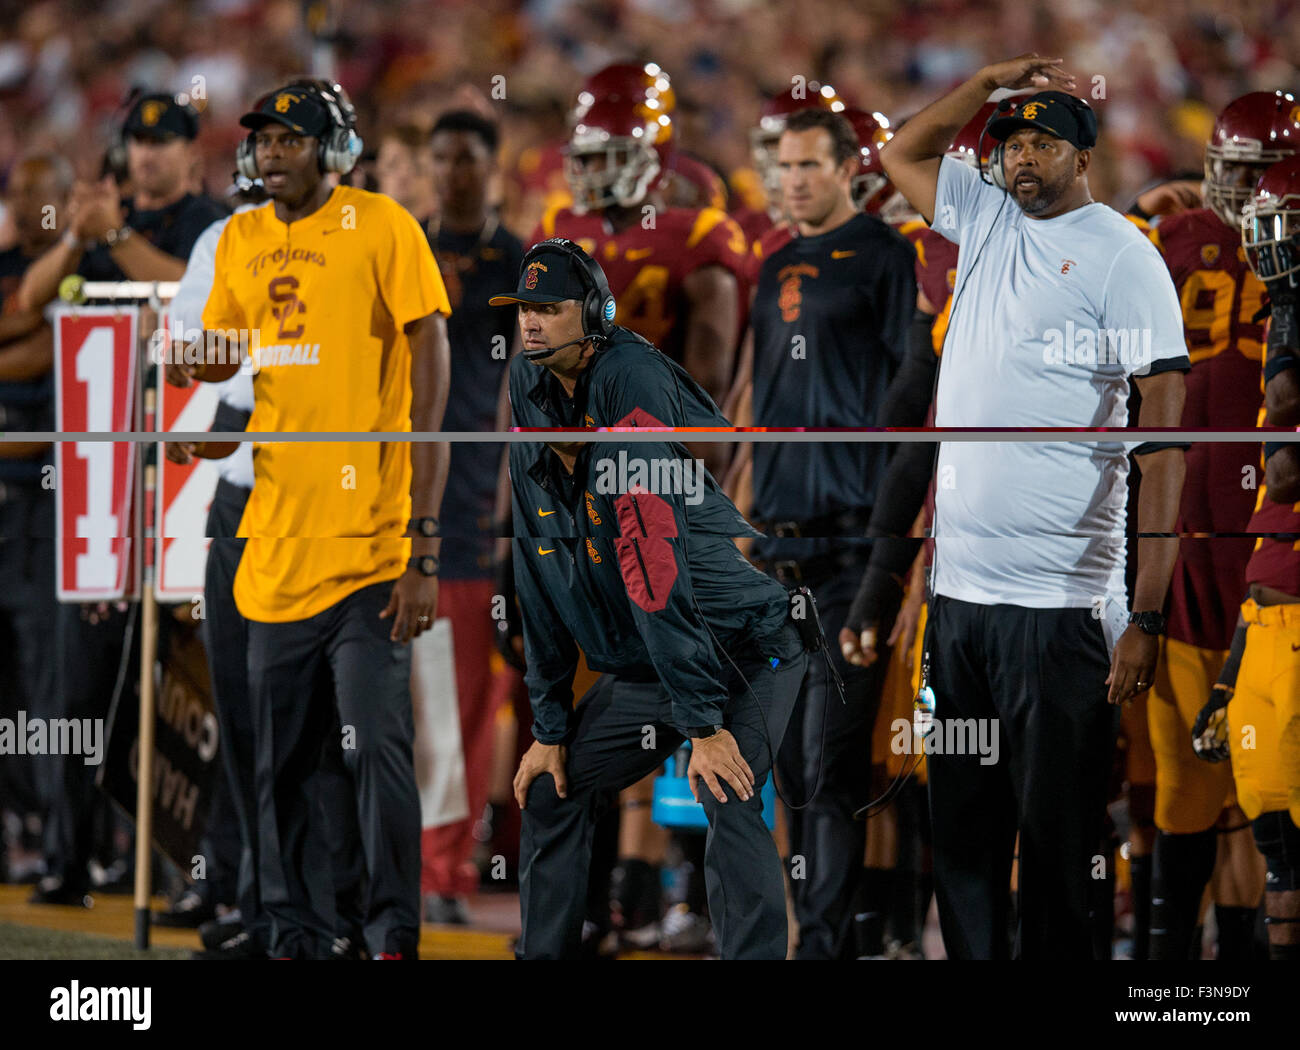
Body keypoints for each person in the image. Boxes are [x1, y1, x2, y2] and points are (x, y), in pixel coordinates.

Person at [881, 54, 1190, 958]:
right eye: (1010, 142)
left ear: (1082, 156)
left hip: (1059, 610)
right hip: (963, 606)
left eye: (1042, 141)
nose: (1021, 158)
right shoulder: (980, 218)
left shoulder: (1124, 254)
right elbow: (902, 151)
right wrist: (984, 84)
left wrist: (1147, 610)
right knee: (965, 839)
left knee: (1060, 848)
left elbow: (1167, 446)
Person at [168, 81, 452, 960]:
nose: (273, 151)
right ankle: (295, 933)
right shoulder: (242, 241)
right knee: (277, 764)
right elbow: (232, 376)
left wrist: (423, 548)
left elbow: (431, 357)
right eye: (264, 140)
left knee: (377, 753)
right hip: (274, 550)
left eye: (294, 137)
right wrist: (188, 407)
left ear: (336, 150)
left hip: (369, 546)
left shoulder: (384, 226)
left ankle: (392, 932)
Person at [493, 237, 811, 959]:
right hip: (653, 661)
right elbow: (538, 578)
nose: (532, 323)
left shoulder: (631, 383)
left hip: (747, 648)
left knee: (727, 795)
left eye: (550, 307)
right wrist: (548, 728)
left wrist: (703, 724)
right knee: (553, 786)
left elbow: (652, 570)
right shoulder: (530, 388)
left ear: (596, 314)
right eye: (524, 309)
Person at [729, 107, 916, 959]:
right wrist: (730, 508)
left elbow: (916, 404)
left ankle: (829, 943)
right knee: (793, 771)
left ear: (848, 167)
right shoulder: (773, 265)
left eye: (810, 165)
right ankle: (819, 930)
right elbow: (752, 395)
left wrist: (903, 541)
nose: (794, 180)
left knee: (831, 761)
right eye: (785, 166)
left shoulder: (888, 258)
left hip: (852, 542)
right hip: (777, 547)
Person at [1133, 91, 1299, 960]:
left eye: (1254, 174)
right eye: (1226, 173)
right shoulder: (1171, 238)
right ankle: (1171, 963)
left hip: (1263, 547)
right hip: (1187, 542)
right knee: (1185, 779)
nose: (1237, 192)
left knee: (1258, 787)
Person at [418, 109, 525, 925]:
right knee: (389, 701)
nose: (454, 171)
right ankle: (395, 860)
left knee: (459, 701)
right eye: (442, 157)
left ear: (493, 167)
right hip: (388, 500)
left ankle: (447, 870)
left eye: (468, 158)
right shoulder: (402, 244)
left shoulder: (517, 262)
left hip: (470, 510)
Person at [1199, 154, 1300, 960]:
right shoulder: (1277, 318)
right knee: (1270, 826)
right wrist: (1230, 674)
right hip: (1266, 614)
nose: (1275, 246)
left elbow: (1287, 465)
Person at [0, 154, 69, 890]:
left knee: (48, 691)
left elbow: (63, 344)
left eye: (36, 190)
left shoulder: (73, 268)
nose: (22, 200)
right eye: (17, 189)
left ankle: (58, 839)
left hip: (43, 513)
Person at [17, 92, 226, 311]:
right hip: (93, 341)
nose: (146, 154)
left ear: (191, 152)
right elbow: (30, 297)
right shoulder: (111, 211)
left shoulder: (207, 217)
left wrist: (114, 234)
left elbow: (191, 288)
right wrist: (76, 235)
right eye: (138, 140)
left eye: (160, 142)